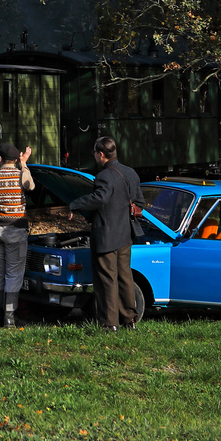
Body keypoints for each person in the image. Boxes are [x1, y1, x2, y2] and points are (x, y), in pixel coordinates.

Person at [67, 135, 146, 331]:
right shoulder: (131, 173)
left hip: (106, 237)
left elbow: (100, 198)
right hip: (125, 235)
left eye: (95, 153)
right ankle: (130, 320)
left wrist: (75, 204)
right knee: (125, 277)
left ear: (101, 154)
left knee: (106, 280)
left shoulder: (104, 176)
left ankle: (109, 323)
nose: (94, 156)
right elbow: (140, 204)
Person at [0, 141, 34, 327]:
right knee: (13, 274)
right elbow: (31, 186)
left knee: (0, 273)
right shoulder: (20, 174)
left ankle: (0, 314)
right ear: (15, 159)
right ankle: (9, 318)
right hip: (14, 229)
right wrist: (23, 163)